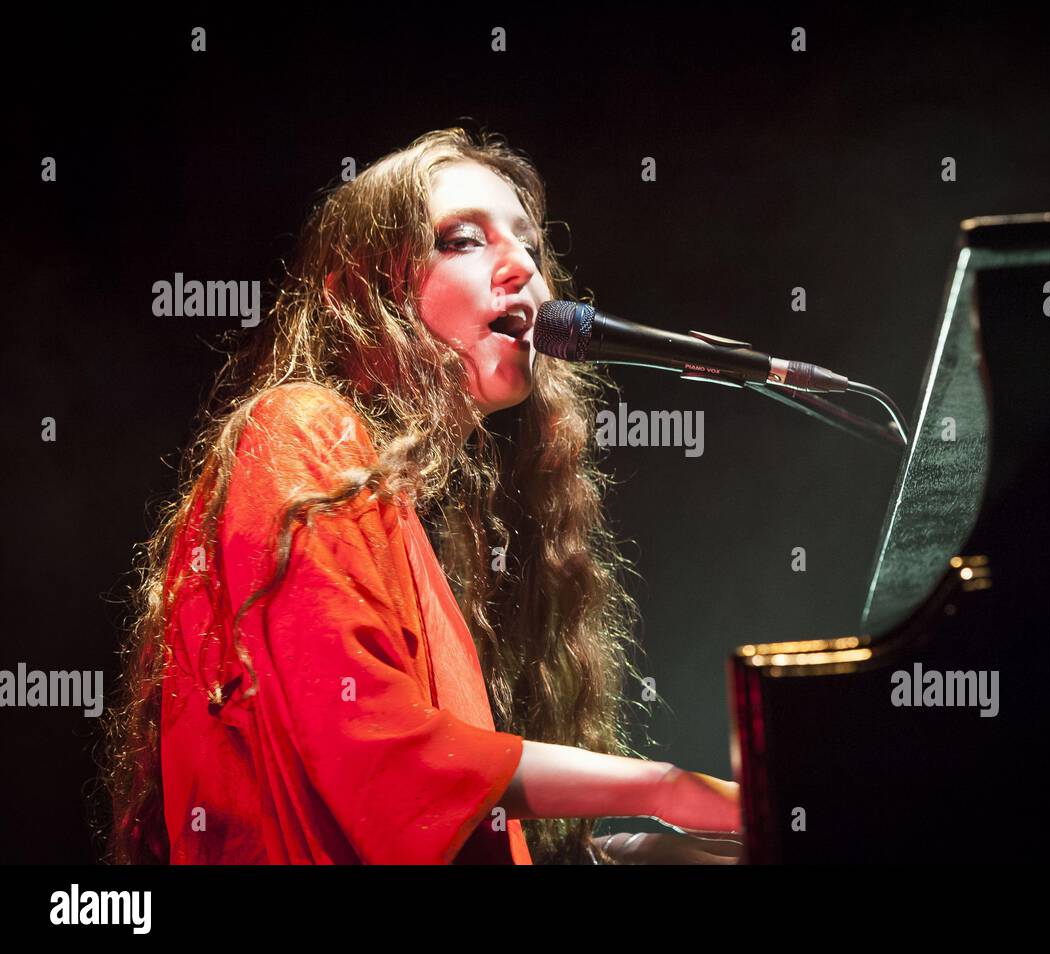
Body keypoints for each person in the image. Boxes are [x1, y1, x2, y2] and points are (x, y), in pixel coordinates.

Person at [101, 128, 741, 865]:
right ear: (364, 290)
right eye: (463, 240)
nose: (522, 270)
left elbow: (467, 830)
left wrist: (645, 854)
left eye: (532, 247)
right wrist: (662, 788)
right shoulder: (300, 430)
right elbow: (381, 754)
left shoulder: (443, 513)